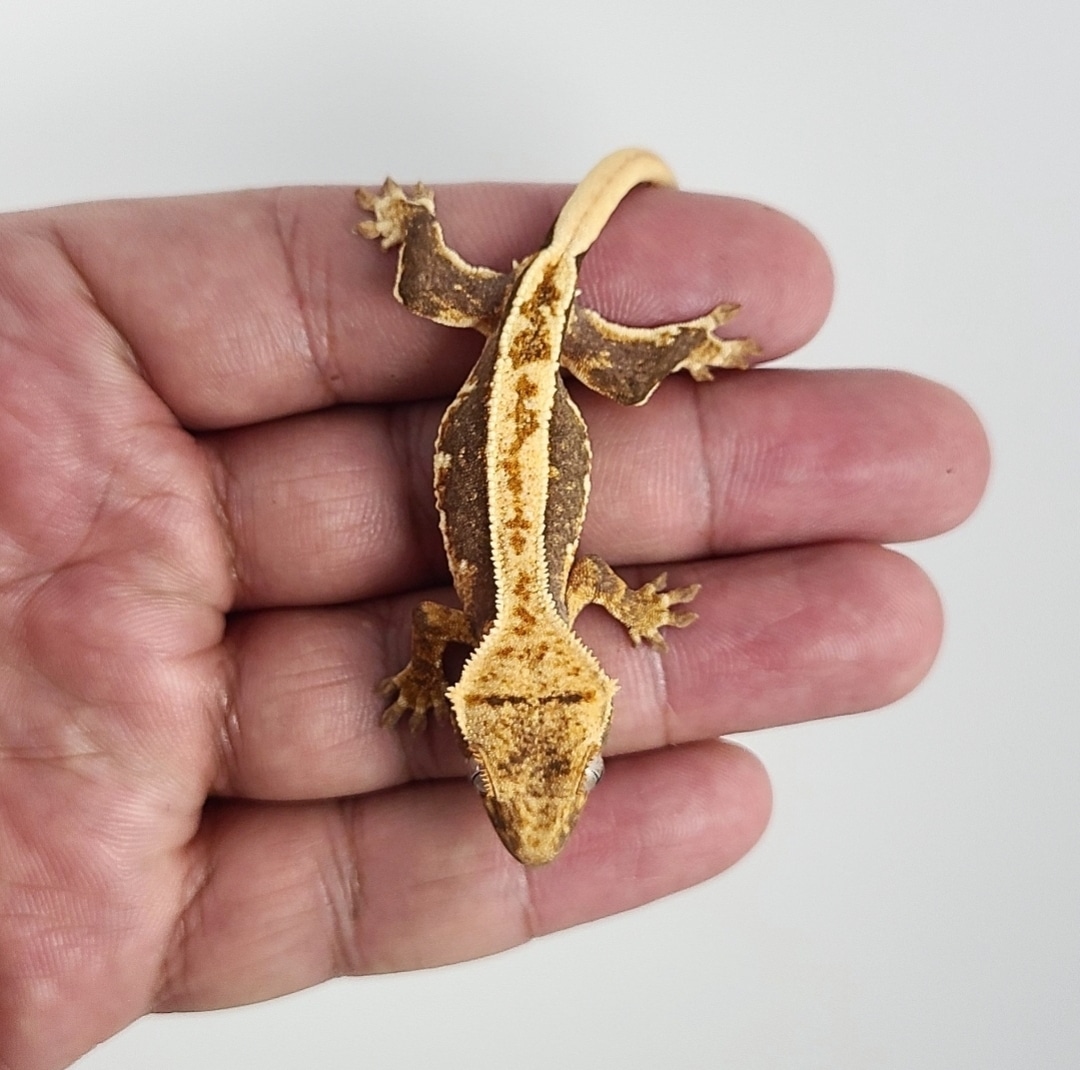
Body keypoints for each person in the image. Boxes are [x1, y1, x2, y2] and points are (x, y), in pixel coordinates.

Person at [0, 179, 989, 1069]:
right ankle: (447, 236)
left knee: (556, 343)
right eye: (576, 766)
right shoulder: (488, 606)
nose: (525, 792)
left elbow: (580, 583)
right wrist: (447, 664)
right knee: (578, 354)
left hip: (540, 337)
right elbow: (466, 617)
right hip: (537, 342)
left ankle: (497, 259)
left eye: (500, 769)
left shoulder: (542, 594)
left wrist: (631, 606)